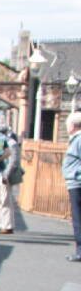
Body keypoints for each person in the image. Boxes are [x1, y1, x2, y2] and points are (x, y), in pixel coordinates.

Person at [0, 118, 22, 234]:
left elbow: (13, 161)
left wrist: (5, 174)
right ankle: (1, 223)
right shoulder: (3, 142)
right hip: (0, 173)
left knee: (5, 200)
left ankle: (6, 225)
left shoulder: (10, 143)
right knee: (0, 200)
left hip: (4, 174)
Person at [66, 111, 81, 261]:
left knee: (78, 218)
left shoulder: (79, 140)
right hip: (74, 182)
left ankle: (80, 251)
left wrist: (77, 174)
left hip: (77, 182)